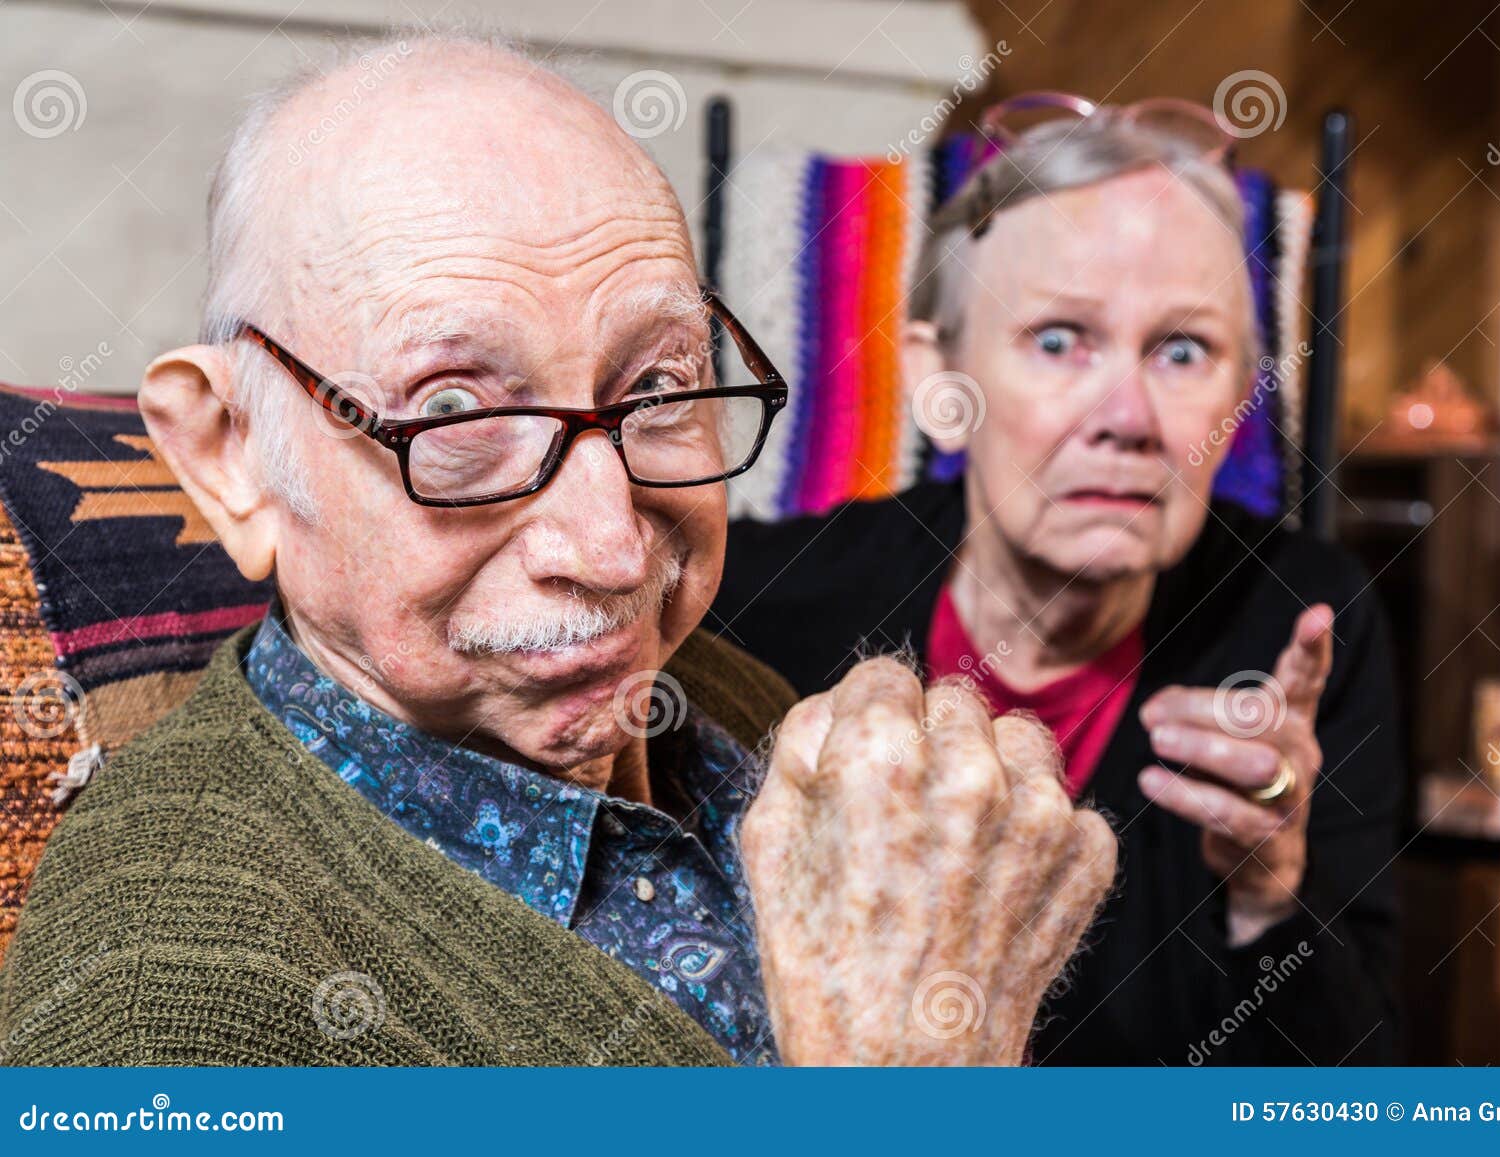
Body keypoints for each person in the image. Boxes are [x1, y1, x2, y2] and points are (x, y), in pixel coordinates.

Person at [0, 42, 1116, 1067]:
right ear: (230, 451)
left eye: (660, 386)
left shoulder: (707, 691)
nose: (614, 547)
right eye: (451, 411)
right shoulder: (166, 1006)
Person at [713, 94, 1402, 1065]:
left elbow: (1365, 1093)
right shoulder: (755, 607)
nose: (1127, 413)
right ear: (938, 378)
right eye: (1056, 339)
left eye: (1180, 349)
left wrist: (1266, 888)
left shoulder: (1300, 623)